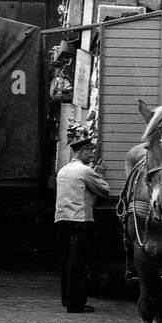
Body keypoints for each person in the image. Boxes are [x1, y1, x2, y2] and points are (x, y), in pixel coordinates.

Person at [55, 127, 112, 313]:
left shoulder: (63, 171)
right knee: (80, 263)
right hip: (80, 221)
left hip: (62, 219)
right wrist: (100, 173)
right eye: (90, 151)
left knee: (66, 262)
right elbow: (104, 189)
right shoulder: (85, 171)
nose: (93, 155)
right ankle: (76, 304)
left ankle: (67, 299)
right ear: (81, 152)